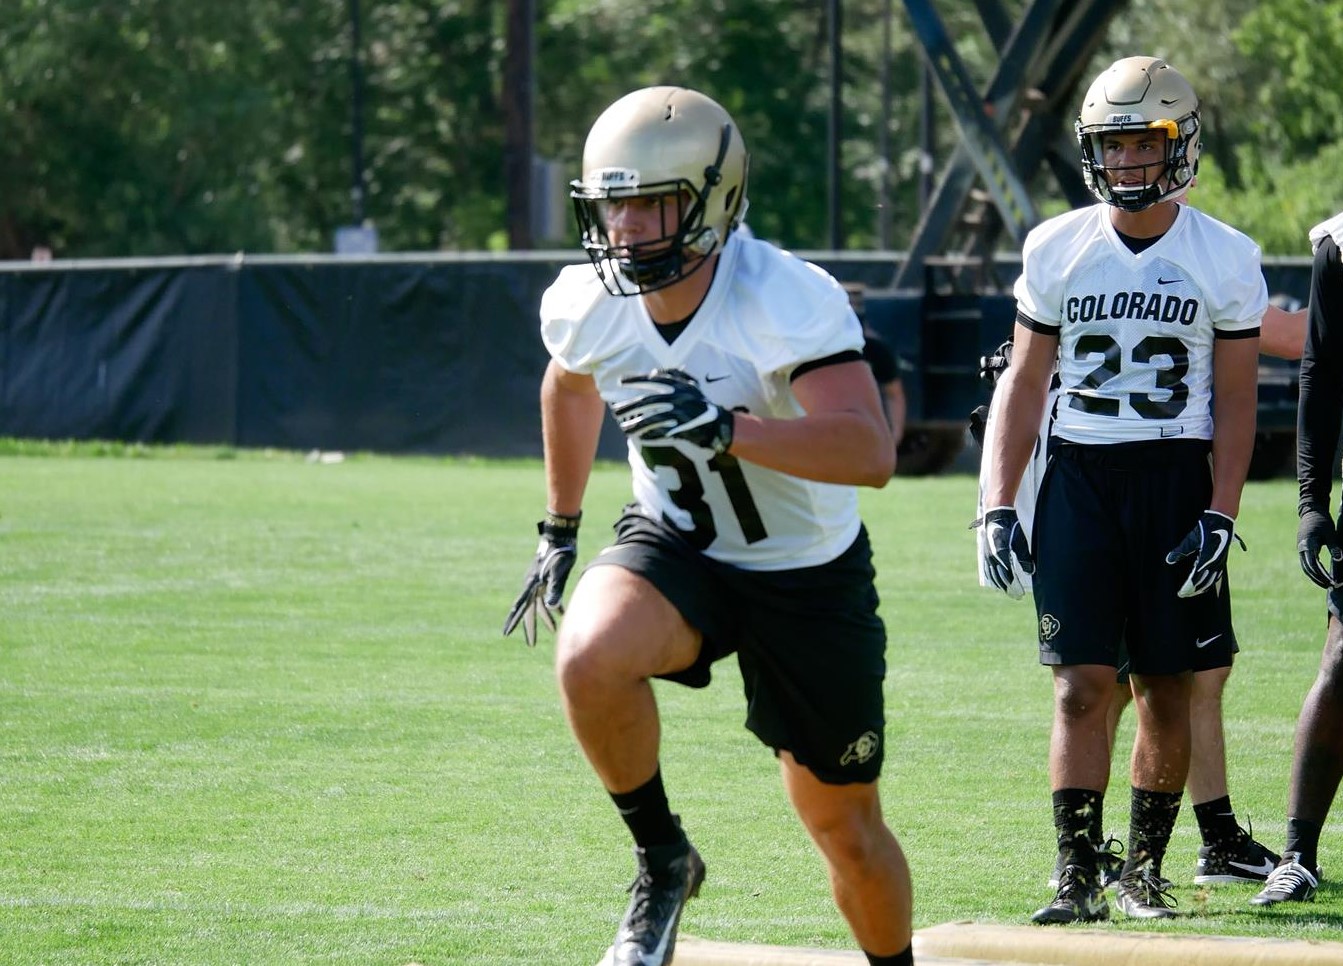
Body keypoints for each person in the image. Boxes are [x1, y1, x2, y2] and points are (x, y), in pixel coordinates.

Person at [501, 86, 914, 966]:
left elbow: (868, 451)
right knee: (588, 655)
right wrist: (560, 526)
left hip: (805, 571)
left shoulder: (783, 296)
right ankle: (661, 858)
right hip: (678, 540)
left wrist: (732, 430)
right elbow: (568, 383)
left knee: (843, 827)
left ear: (716, 198)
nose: (630, 227)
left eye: (655, 202)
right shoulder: (589, 299)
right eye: (616, 203)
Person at [979, 56, 1266, 923]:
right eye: (1115, 145)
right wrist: (997, 502)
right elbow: (1024, 385)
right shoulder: (1055, 245)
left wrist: (1219, 513)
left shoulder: (1224, 256)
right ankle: (1075, 874)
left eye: (1146, 144)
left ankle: (1141, 869)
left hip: (1173, 475)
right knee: (1077, 684)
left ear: (1180, 146)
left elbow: (1237, 401)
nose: (1130, 163)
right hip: (1079, 473)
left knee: (1169, 685)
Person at [974, 301, 1304, 897]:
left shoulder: (1201, 256)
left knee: (1184, 675)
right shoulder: (1140, 255)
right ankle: (1090, 855)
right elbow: (1295, 337)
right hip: (1083, 470)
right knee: (1117, 679)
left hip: (1146, 477)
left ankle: (1209, 835)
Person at [1251, 209, 1343, 907]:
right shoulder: (1340, 244)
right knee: (1342, 661)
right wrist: (1312, 499)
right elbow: (1321, 370)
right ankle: (1297, 854)